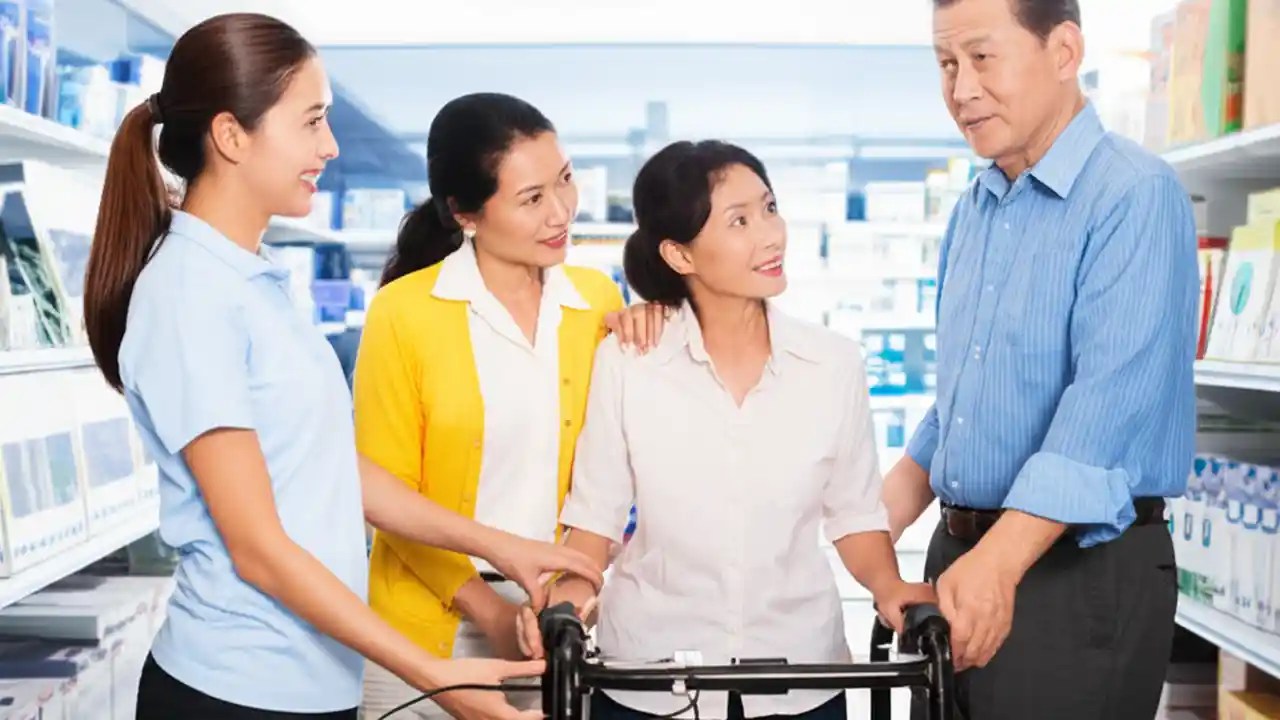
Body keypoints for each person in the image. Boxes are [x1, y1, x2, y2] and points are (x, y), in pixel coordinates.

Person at [81, 15, 601, 720]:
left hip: (306, 685)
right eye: (312, 122)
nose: (329, 146)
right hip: (236, 692)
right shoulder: (188, 295)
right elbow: (258, 549)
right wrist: (436, 675)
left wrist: (500, 547)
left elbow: (328, 468)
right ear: (233, 136)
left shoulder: (253, 283)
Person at [518, 140, 938, 720]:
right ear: (680, 255)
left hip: (803, 679)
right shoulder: (630, 363)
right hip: (650, 678)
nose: (770, 235)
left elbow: (854, 517)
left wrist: (890, 589)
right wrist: (563, 607)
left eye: (769, 208)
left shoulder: (833, 365)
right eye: (739, 221)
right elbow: (596, 520)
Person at [877, 1, 1195, 718]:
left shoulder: (1135, 195)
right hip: (961, 560)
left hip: (1070, 574)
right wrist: (869, 526)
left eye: (982, 58)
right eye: (946, 65)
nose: (960, 90)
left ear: (1063, 50)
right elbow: (964, 399)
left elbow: (1104, 409)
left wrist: (997, 562)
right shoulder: (976, 207)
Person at [352, 92, 626, 719]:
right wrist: (490, 610)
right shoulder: (404, 312)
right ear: (466, 213)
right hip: (423, 637)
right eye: (531, 199)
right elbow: (384, 495)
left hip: (556, 628)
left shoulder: (595, 299)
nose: (561, 212)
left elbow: (605, 470)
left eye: (564, 180)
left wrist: (561, 607)